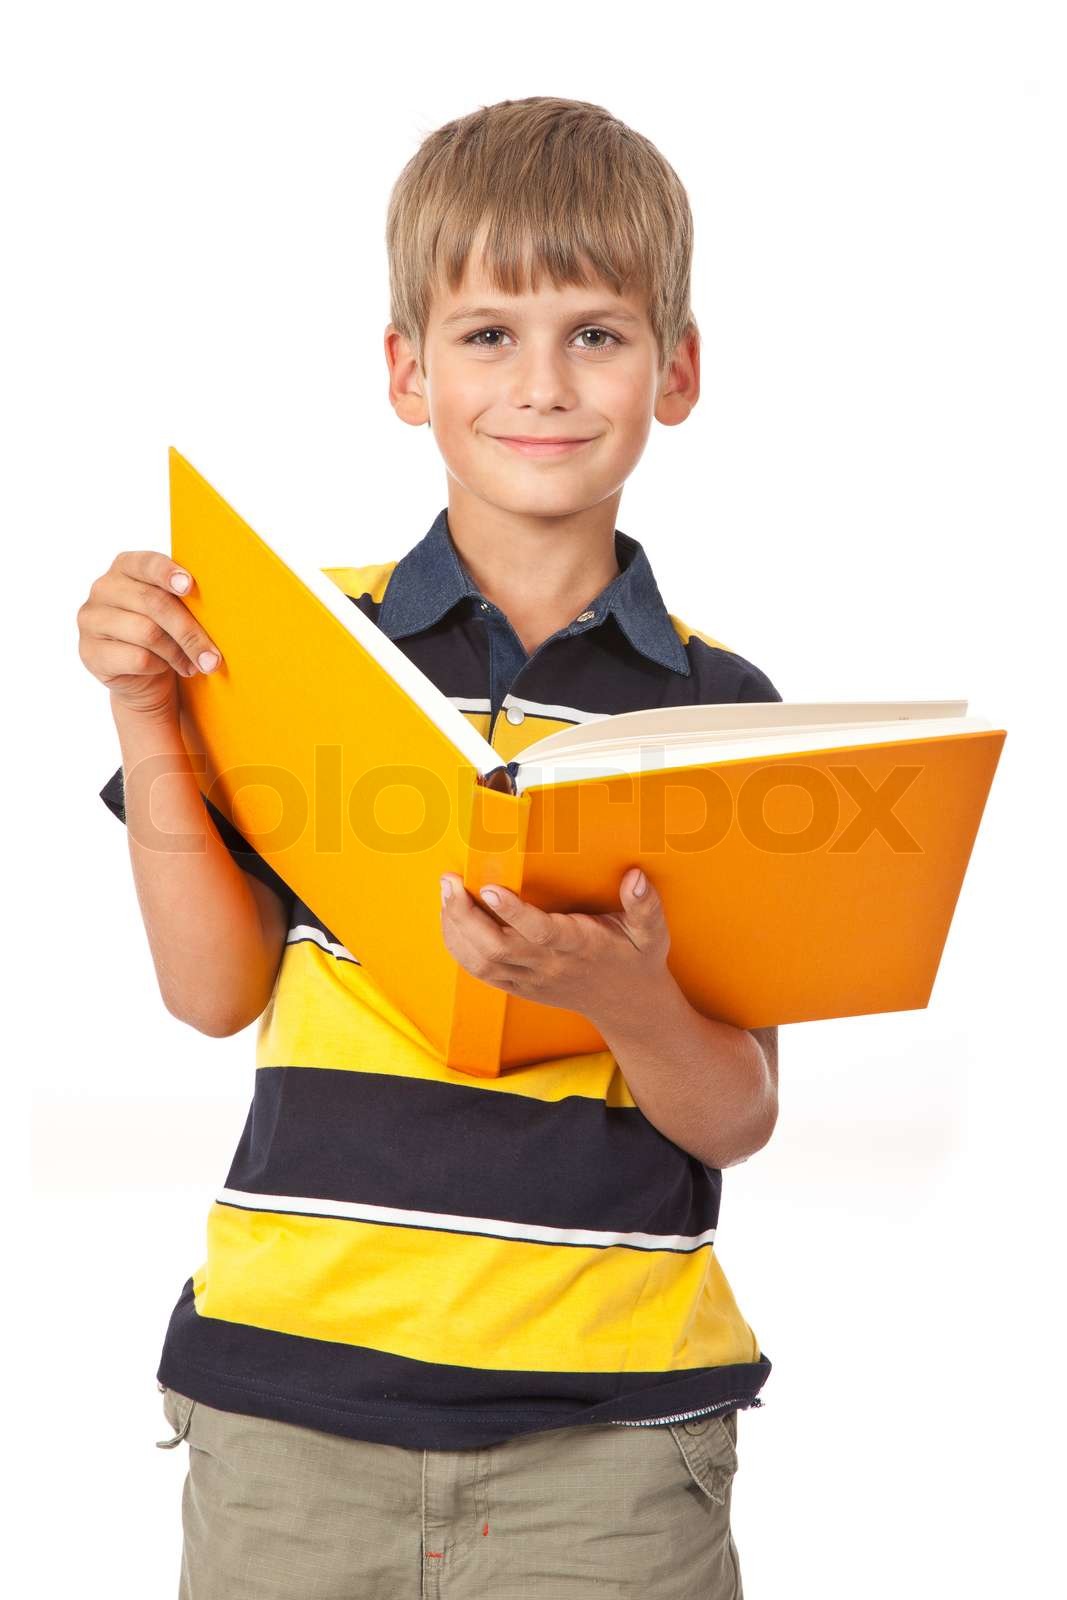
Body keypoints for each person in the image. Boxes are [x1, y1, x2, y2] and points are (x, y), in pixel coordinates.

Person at [77, 94, 783, 1600]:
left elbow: (734, 1116)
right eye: (486, 336)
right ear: (406, 372)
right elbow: (212, 995)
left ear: (680, 367)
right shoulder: (285, 640)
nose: (544, 382)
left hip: (609, 1450)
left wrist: (624, 993)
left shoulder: (727, 712)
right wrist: (151, 715)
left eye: (597, 333)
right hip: (291, 1420)